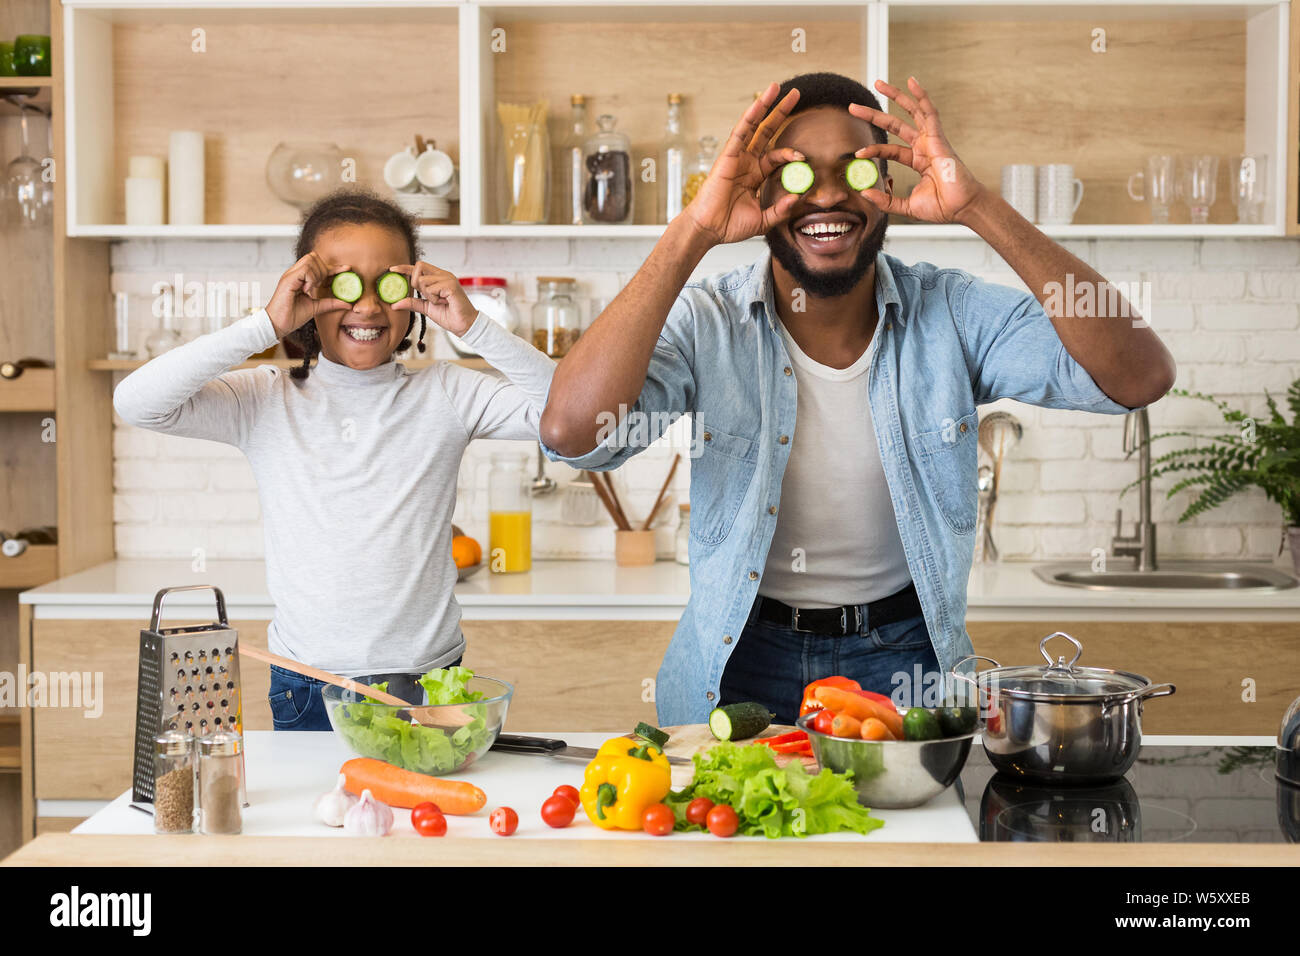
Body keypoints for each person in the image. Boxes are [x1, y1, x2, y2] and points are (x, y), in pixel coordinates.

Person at [540, 72, 1175, 726]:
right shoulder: (711, 322)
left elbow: (1137, 375)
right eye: (795, 174)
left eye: (855, 170)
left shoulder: (950, 313)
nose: (827, 196)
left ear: (891, 187)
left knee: (904, 828)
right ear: (758, 191)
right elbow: (572, 432)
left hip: (903, 659)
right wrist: (694, 230)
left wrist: (975, 204)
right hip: (738, 658)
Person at [114, 189, 556, 730]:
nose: (368, 306)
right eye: (343, 285)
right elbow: (136, 403)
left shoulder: (448, 393)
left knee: (433, 818)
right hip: (311, 688)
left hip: (431, 683)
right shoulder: (264, 399)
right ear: (308, 293)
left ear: (415, 292)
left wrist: (474, 328)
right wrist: (265, 326)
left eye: (386, 285)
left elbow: (571, 414)